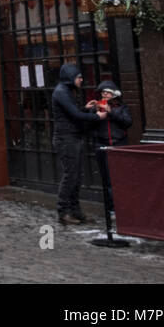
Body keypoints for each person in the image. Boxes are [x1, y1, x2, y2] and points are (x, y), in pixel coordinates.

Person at [52, 63, 107, 224]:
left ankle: (75, 211)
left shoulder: (66, 91)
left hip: (72, 137)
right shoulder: (62, 92)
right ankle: (64, 212)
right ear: (70, 77)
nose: (81, 80)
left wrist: (84, 108)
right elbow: (75, 115)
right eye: (78, 77)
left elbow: (72, 113)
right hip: (66, 139)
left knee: (76, 177)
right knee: (71, 176)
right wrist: (97, 116)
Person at [94, 81, 132, 147]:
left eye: (108, 92)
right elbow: (90, 125)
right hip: (101, 143)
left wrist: (110, 112)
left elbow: (128, 122)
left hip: (119, 142)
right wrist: (94, 111)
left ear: (115, 94)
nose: (105, 94)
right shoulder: (98, 106)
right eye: (103, 92)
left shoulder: (122, 107)